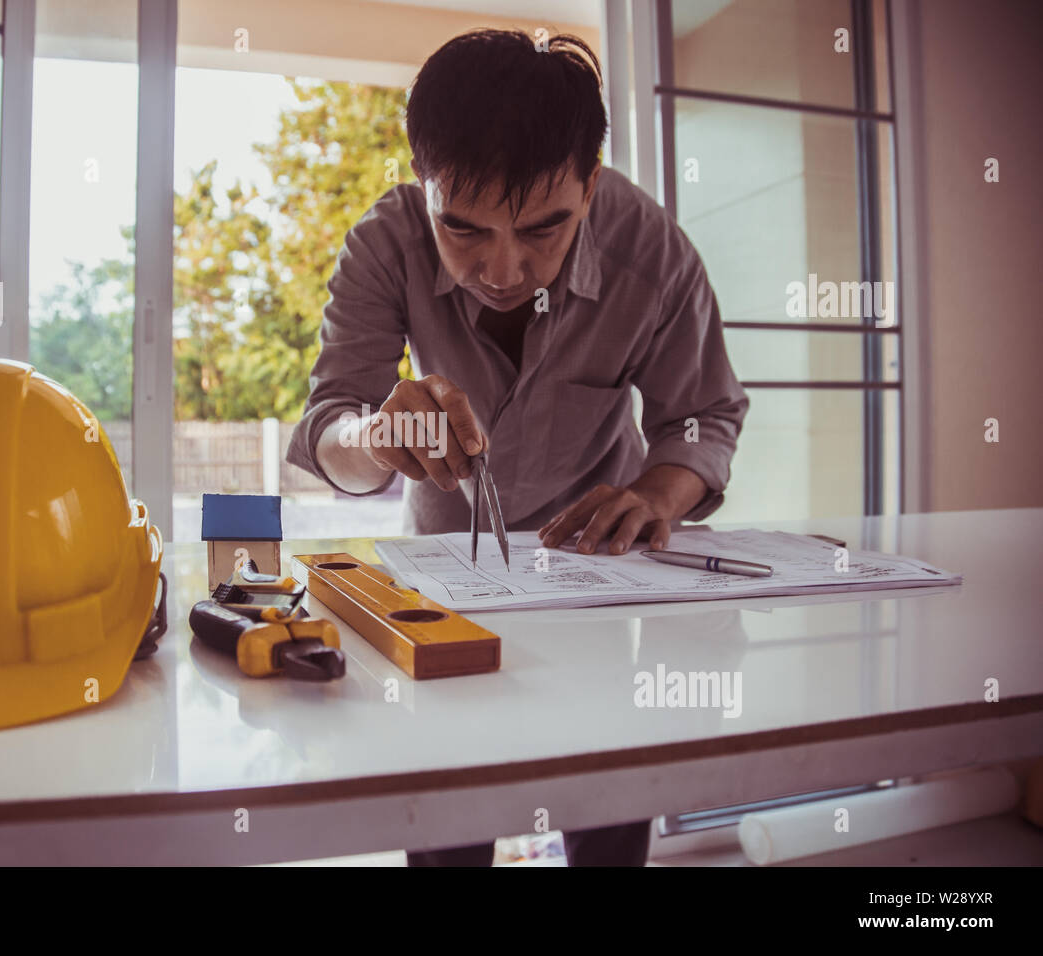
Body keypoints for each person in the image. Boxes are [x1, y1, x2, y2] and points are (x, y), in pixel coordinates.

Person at [285, 29, 749, 866]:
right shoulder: (383, 243)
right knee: (446, 832)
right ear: (423, 185)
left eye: (545, 228)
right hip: (442, 582)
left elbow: (703, 415)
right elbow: (328, 428)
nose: (504, 268)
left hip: (602, 590)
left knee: (606, 819)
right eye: (463, 230)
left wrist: (658, 494)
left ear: (591, 185)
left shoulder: (651, 250)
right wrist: (379, 438)